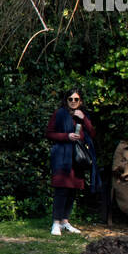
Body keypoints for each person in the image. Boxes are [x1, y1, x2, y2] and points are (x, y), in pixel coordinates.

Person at [44, 87, 96, 236]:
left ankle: (65, 221)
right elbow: (49, 134)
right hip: (62, 156)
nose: (73, 102)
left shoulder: (83, 115)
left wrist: (84, 119)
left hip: (78, 157)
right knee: (61, 189)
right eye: (70, 99)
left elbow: (92, 133)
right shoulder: (60, 114)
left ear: (81, 101)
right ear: (66, 100)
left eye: (76, 99)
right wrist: (67, 136)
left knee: (73, 190)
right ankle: (56, 222)